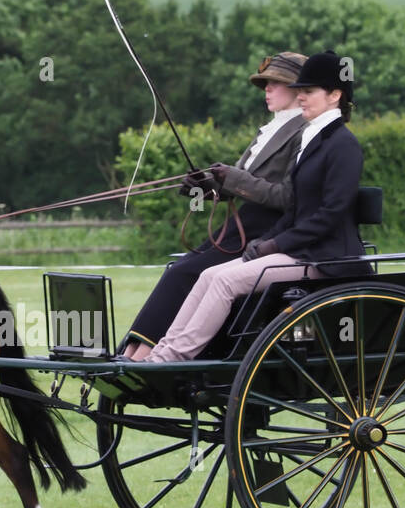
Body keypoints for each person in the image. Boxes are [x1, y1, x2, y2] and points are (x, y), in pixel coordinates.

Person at [144, 50, 370, 363]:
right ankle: (162, 352)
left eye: (308, 91)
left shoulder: (343, 145)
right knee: (209, 274)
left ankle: (174, 358)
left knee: (224, 281)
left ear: (334, 95)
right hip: (298, 251)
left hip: (326, 257)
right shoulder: (311, 140)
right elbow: (294, 209)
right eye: (299, 91)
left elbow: (329, 217)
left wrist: (276, 243)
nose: (300, 97)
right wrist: (265, 242)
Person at [120, 52, 309, 360]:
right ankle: (132, 351)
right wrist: (208, 187)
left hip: (265, 230)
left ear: (298, 89)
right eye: (265, 84)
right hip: (239, 226)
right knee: (178, 269)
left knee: (183, 272)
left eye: (275, 83)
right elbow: (237, 184)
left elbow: (285, 196)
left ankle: (143, 355)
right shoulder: (270, 129)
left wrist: (234, 180)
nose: (267, 89)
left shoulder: (302, 132)